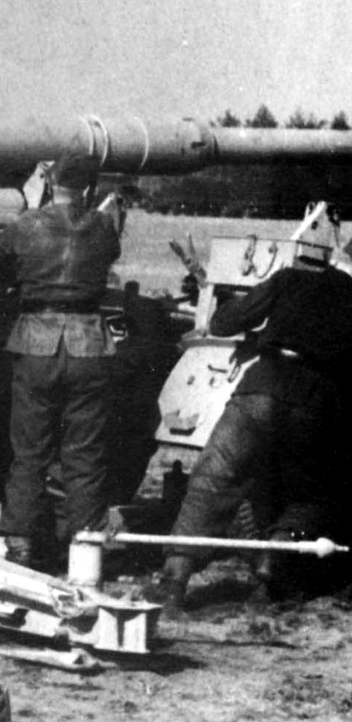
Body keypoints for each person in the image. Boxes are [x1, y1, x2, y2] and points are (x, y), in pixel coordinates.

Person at [142, 242, 352, 610]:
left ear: (336, 259)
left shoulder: (290, 279)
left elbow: (223, 323)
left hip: (262, 385)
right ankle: (276, 562)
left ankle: (175, 577)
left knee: (213, 479)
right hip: (318, 400)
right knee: (312, 495)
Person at [0, 154, 122, 569]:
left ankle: (19, 548)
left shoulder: (28, 225)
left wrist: (32, 211)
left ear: (51, 184)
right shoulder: (104, 227)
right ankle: (85, 555)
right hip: (89, 346)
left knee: (29, 453)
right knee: (85, 456)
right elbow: (109, 247)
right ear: (91, 190)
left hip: (36, 345)